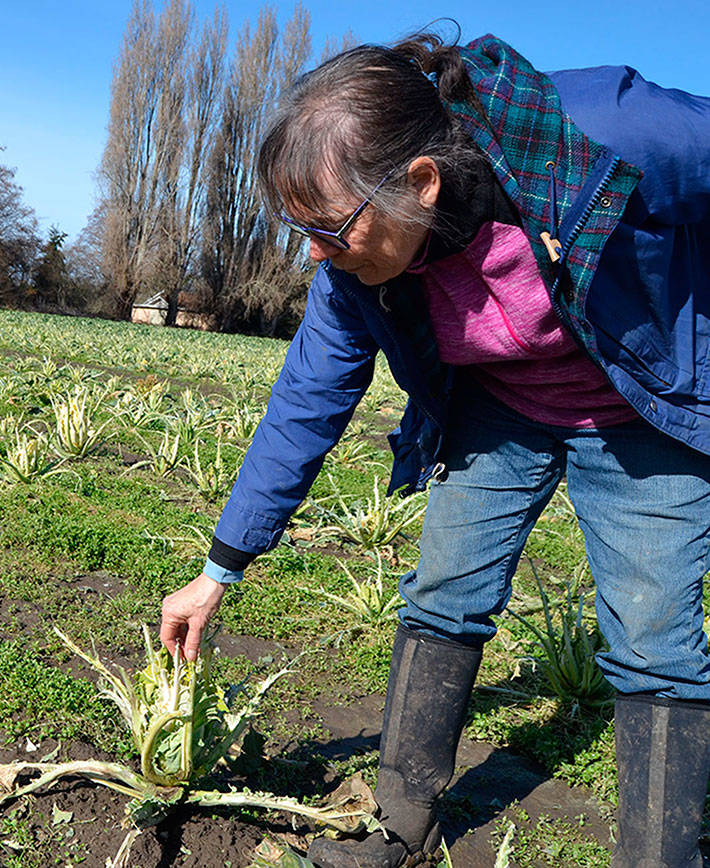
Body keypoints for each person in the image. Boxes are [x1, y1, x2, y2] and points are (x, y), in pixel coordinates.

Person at [158, 32, 710, 868]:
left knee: (653, 640)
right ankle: (402, 822)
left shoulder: (607, 130)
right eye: (299, 228)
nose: (315, 253)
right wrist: (220, 567)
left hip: (646, 411)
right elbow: (306, 402)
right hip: (499, 408)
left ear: (420, 181)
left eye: (329, 228)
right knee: (444, 593)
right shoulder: (353, 269)